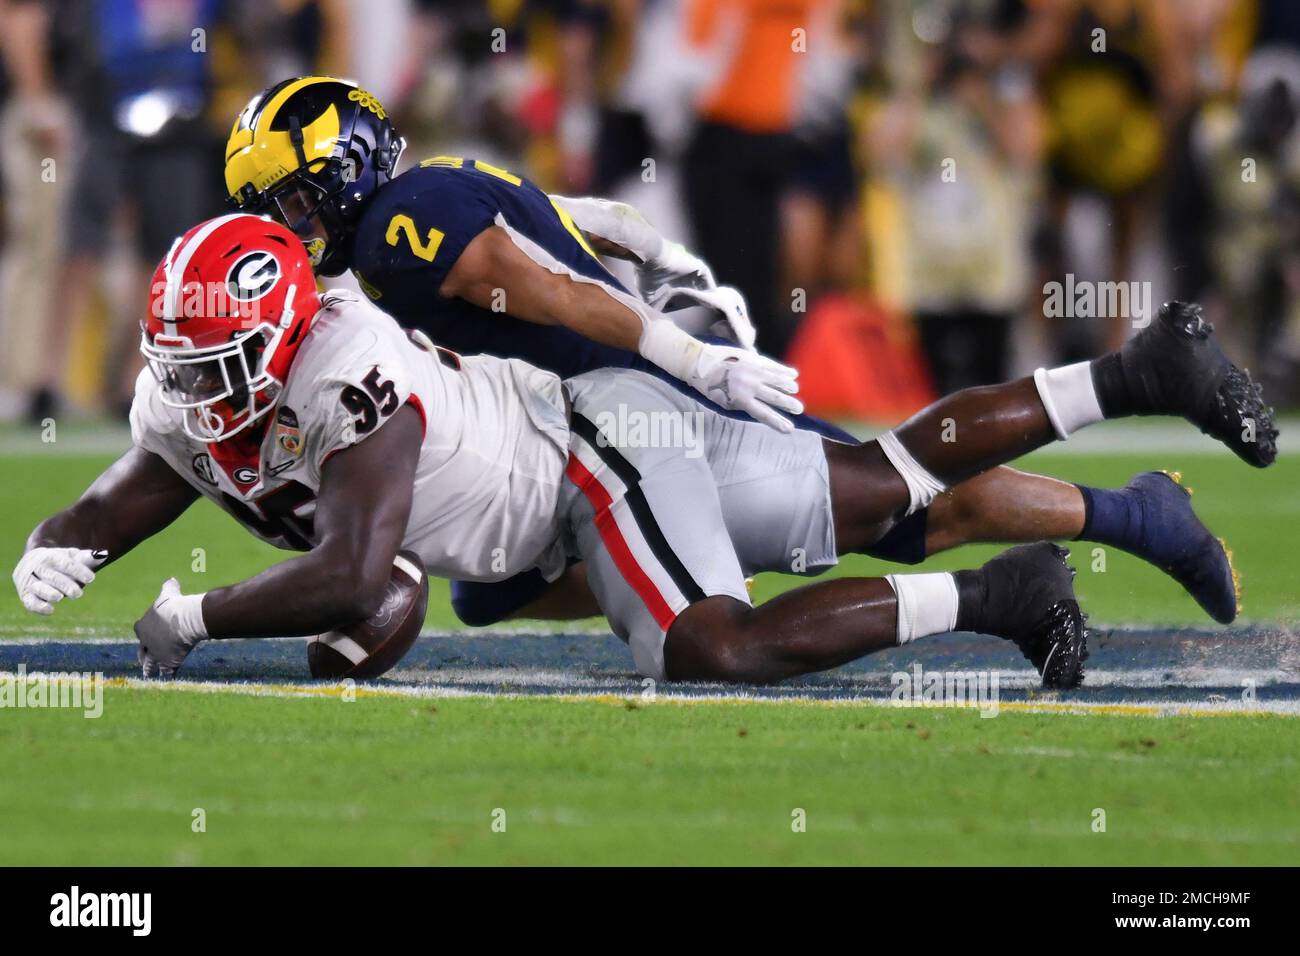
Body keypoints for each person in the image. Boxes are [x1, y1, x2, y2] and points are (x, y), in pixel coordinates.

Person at [12, 216, 1276, 688]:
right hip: (581, 459)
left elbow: (353, 572)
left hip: (584, 459)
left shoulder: (352, 364)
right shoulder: (200, 383)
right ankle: (1130, 377)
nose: (190, 385)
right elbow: (147, 479)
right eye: (180, 357)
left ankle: (1003, 585)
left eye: (214, 359)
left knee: (705, 642)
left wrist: (194, 612)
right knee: (893, 487)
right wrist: (58, 538)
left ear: (287, 332)